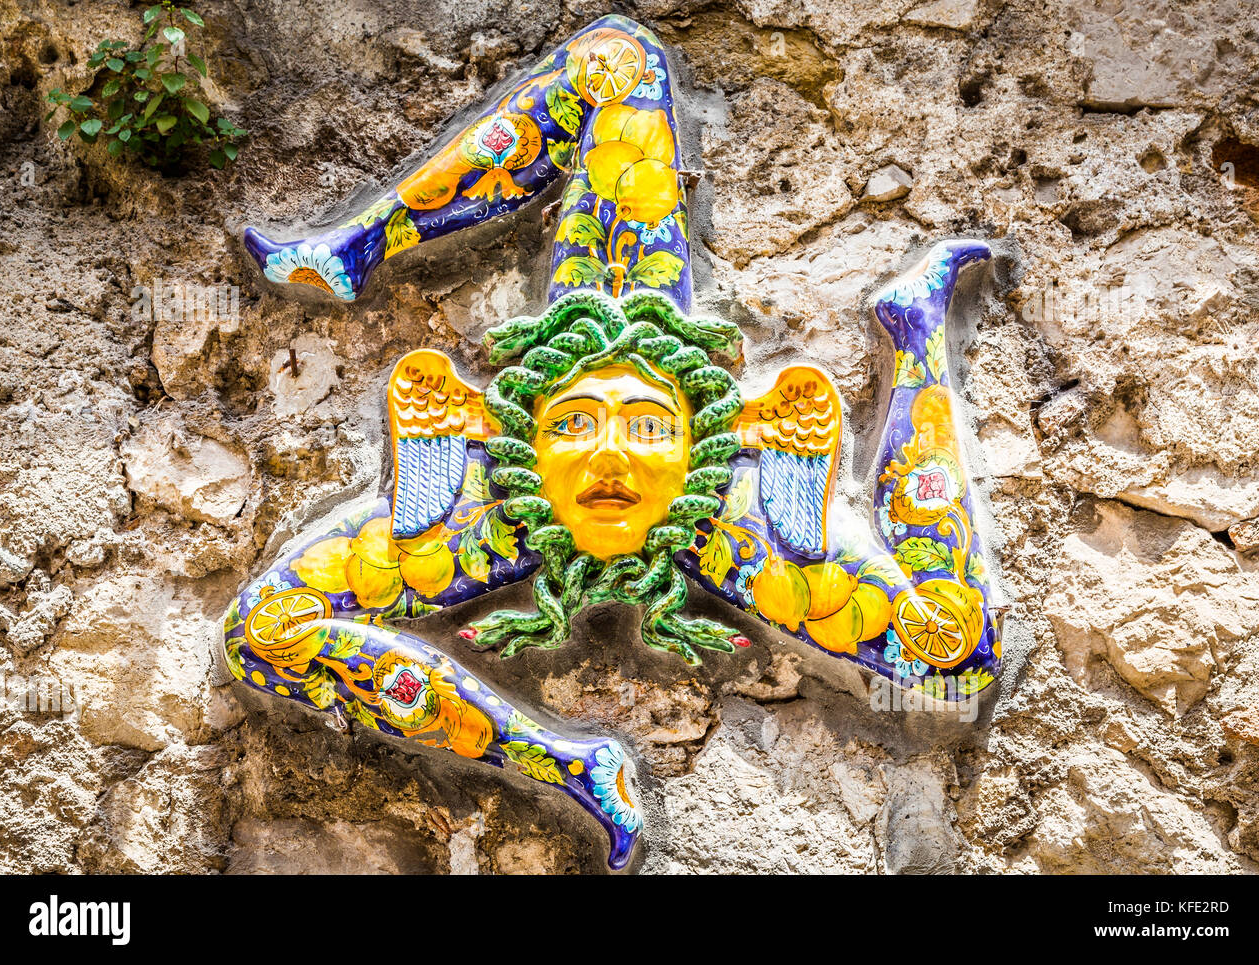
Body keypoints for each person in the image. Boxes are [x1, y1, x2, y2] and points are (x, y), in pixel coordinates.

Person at [227, 15, 1001, 871]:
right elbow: (273, 632)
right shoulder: (482, 514)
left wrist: (920, 366)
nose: (609, 456)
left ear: (723, 439)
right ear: (498, 431)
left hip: (683, 456)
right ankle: (357, 245)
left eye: (644, 429)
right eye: (575, 426)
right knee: (262, 630)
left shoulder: (741, 523)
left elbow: (948, 650)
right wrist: (546, 757)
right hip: (570, 406)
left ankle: (916, 335)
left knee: (951, 648)